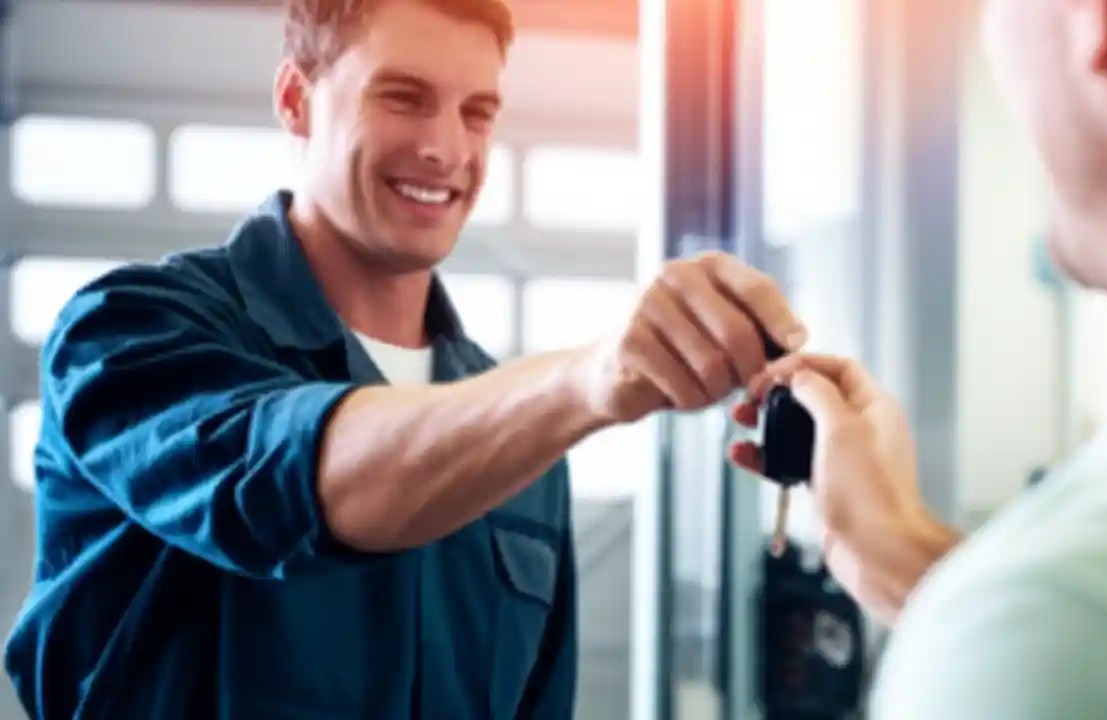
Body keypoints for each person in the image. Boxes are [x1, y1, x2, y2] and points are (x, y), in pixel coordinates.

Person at [2, 0, 806, 718]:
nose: (445, 148)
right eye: (403, 97)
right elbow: (296, 481)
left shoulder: (523, 441)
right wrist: (587, 378)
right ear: (295, 99)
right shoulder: (128, 335)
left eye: (478, 113)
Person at [732, 0, 1107, 717]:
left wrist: (1003, 613)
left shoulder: (1067, 630)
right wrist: (912, 557)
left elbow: (1096, 645)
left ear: (1100, 14)